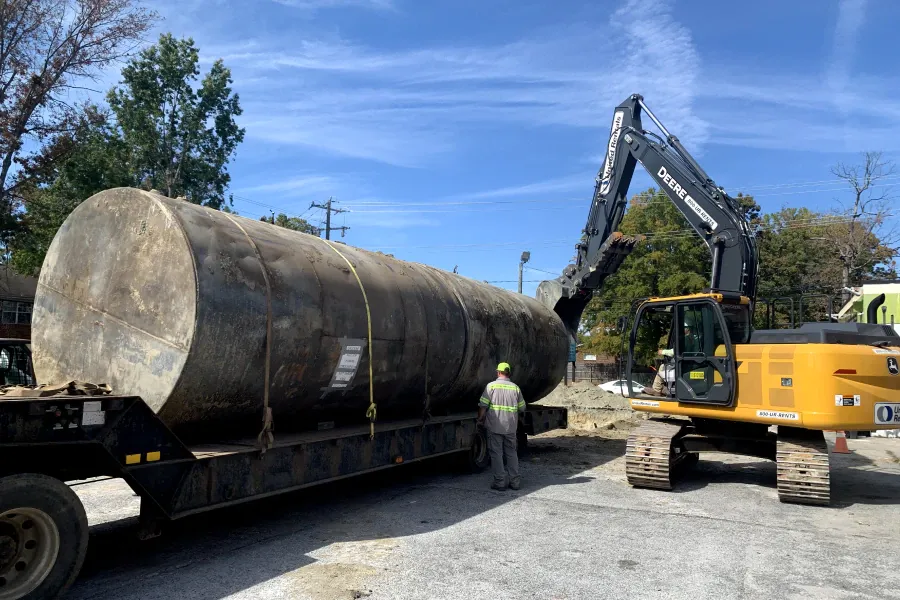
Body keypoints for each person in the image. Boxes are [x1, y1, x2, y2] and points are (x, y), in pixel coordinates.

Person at [478, 362, 526, 491]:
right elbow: (522, 407)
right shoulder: (515, 388)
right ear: (509, 373)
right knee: (511, 453)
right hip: (510, 427)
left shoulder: (491, 386)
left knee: (496, 453)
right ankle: (515, 482)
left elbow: (483, 405)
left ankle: (500, 482)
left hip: (495, 426)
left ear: (498, 372)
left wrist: (481, 419)